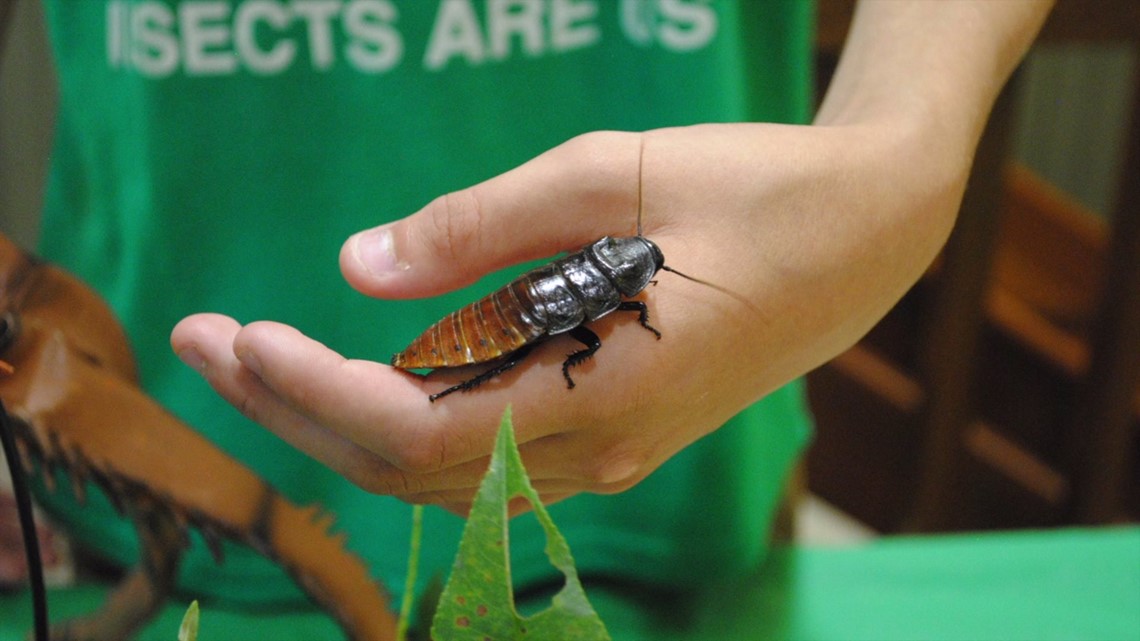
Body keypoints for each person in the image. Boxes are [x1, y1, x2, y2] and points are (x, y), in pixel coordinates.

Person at [3, 0, 1051, 636]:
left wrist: (907, 142)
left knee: (525, 347)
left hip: (688, 509)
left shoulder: (628, 299)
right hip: (133, 481)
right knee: (520, 346)